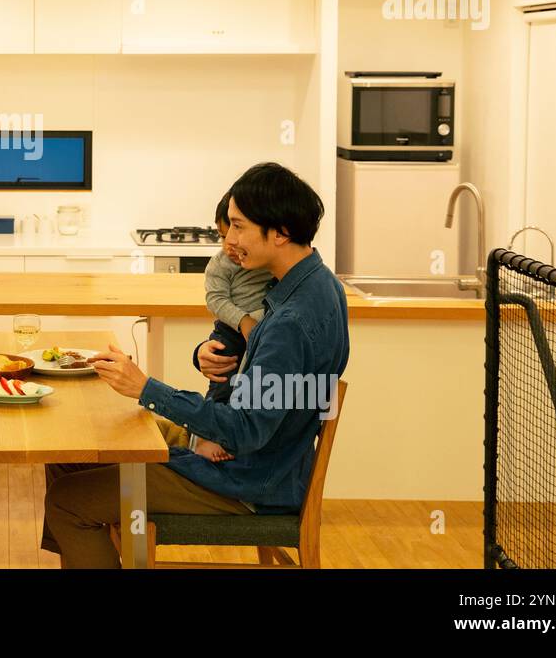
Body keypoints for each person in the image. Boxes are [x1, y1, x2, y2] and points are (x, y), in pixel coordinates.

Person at [42, 162, 350, 568]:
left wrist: (146, 388)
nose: (229, 240)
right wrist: (207, 352)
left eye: (239, 227)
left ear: (280, 233)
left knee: (68, 501)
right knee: (73, 452)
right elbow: (257, 371)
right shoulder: (316, 283)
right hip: (259, 458)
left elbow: (245, 431)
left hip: (248, 481)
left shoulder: (291, 323)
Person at [189, 191, 276, 462]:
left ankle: (225, 436)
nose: (229, 244)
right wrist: (243, 322)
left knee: (242, 388)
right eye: (222, 235)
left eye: (235, 231)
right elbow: (215, 299)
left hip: (260, 328)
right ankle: (204, 437)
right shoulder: (221, 264)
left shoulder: (265, 262)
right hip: (230, 328)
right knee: (222, 383)